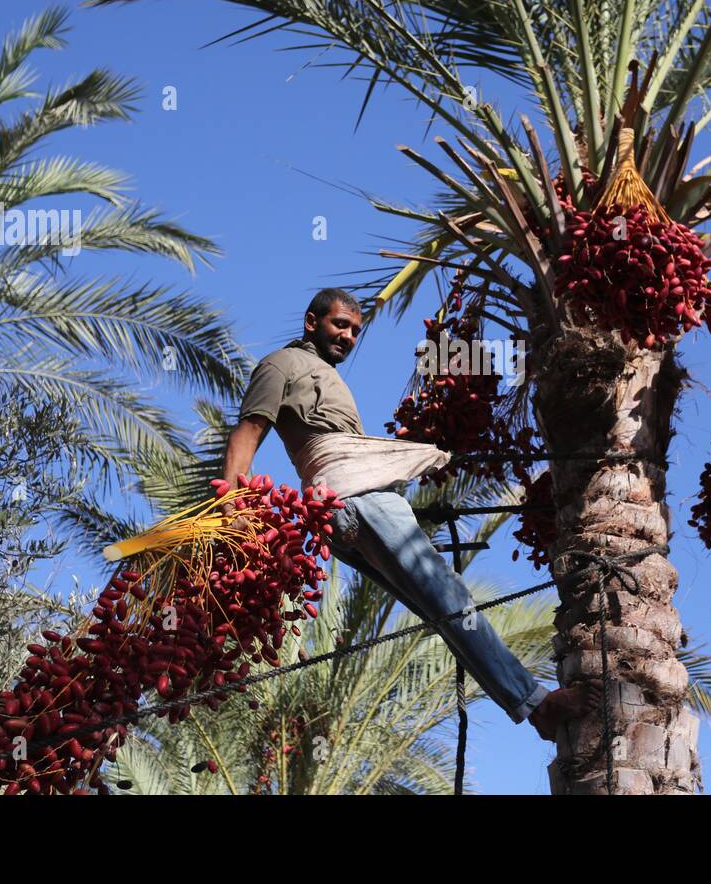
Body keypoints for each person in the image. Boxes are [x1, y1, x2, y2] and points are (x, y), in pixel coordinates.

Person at [219, 287, 597, 741]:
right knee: (448, 596)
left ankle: (529, 704)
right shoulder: (282, 363)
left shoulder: (324, 374)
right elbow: (249, 429)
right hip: (355, 495)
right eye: (340, 325)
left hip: (341, 514)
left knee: (440, 608)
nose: (348, 337)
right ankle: (536, 704)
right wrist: (233, 506)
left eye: (355, 331)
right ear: (310, 321)